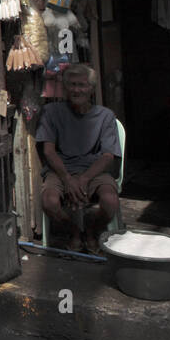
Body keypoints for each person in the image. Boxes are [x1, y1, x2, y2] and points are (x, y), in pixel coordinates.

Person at [36, 63, 121, 254]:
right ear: (65, 88)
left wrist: (83, 179)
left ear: (91, 89)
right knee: (49, 201)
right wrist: (67, 179)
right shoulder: (52, 112)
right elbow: (48, 151)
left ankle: (91, 231)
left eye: (82, 85)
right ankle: (74, 231)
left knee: (110, 201)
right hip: (61, 170)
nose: (77, 90)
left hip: (93, 170)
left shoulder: (105, 116)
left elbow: (108, 156)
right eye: (72, 85)